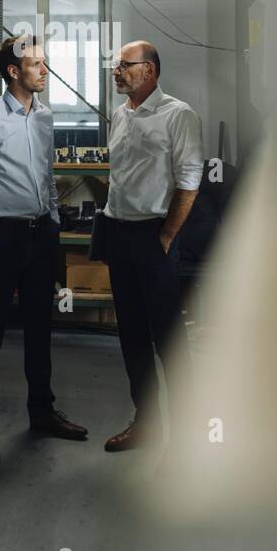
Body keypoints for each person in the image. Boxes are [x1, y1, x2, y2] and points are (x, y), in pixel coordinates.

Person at [0, 34, 88, 466]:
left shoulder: (45, 118)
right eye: (36, 65)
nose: (44, 71)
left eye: (44, 63)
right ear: (14, 72)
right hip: (3, 237)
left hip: (40, 235)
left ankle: (42, 412)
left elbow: (45, 174)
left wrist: (51, 218)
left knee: (39, 328)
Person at [102, 41, 203, 452]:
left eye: (126, 65)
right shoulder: (119, 115)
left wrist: (165, 236)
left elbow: (190, 179)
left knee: (168, 339)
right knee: (132, 337)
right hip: (118, 234)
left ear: (151, 70)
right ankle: (146, 422)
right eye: (116, 66)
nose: (117, 72)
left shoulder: (178, 115)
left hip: (154, 237)